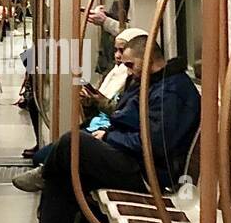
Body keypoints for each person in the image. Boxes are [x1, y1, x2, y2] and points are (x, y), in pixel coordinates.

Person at [9, 36, 200, 223]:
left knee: (72, 143)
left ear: (148, 59)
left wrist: (109, 137)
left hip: (152, 174)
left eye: (131, 65)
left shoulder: (171, 91)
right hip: (135, 161)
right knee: (64, 176)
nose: (128, 70)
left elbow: (155, 144)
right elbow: (128, 119)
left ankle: (44, 175)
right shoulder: (149, 81)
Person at [20, 26, 147, 166]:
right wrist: (88, 103)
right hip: (97, 126)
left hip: (107, 132)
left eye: (122, 51)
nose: (117, 55)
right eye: (115, 50)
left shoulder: (134, 82)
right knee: (48, 154)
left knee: (47, 157)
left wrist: (99, 103)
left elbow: (121, 115)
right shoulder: (113, 74)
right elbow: (98, 114)